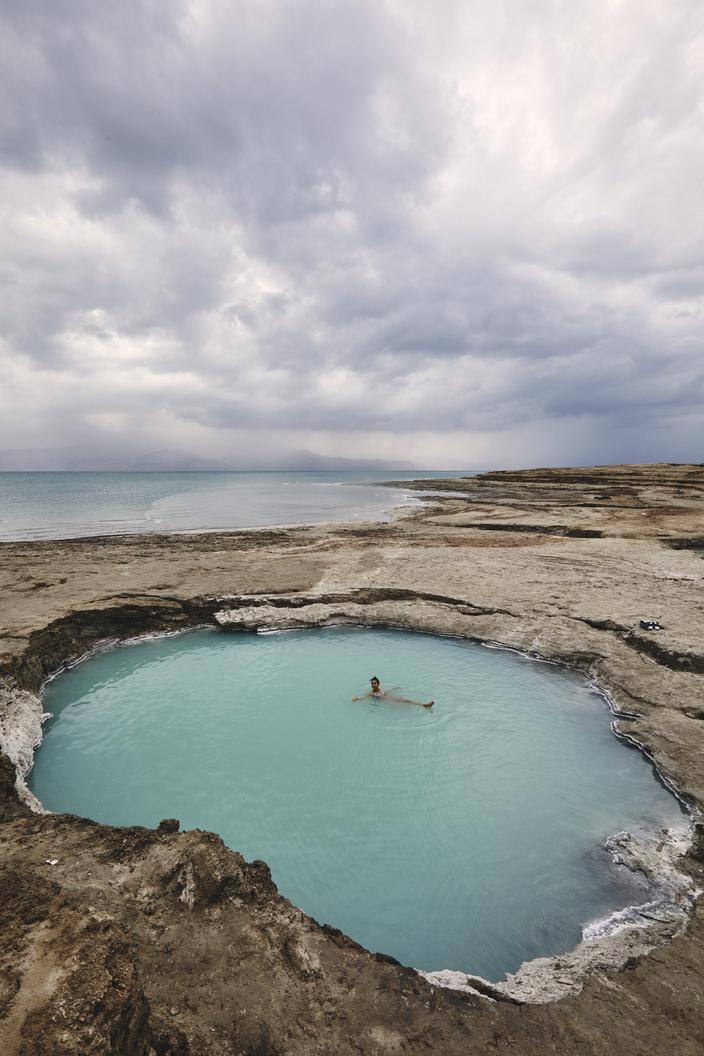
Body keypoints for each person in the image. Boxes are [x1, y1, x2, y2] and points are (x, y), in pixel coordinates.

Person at [352, 675, 434, 708]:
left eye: (374, 683)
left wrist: (396, 688)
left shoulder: (381, 689)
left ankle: (424, 705)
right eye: (372, 684)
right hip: (389, 702)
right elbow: (365, 697)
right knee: (402, 707)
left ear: (378, 684)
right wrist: (357, 699)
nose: (373, 685)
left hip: (392, 698)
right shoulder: (372, 693)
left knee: (406, 700)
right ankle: (424, 706)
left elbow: (388, 690)